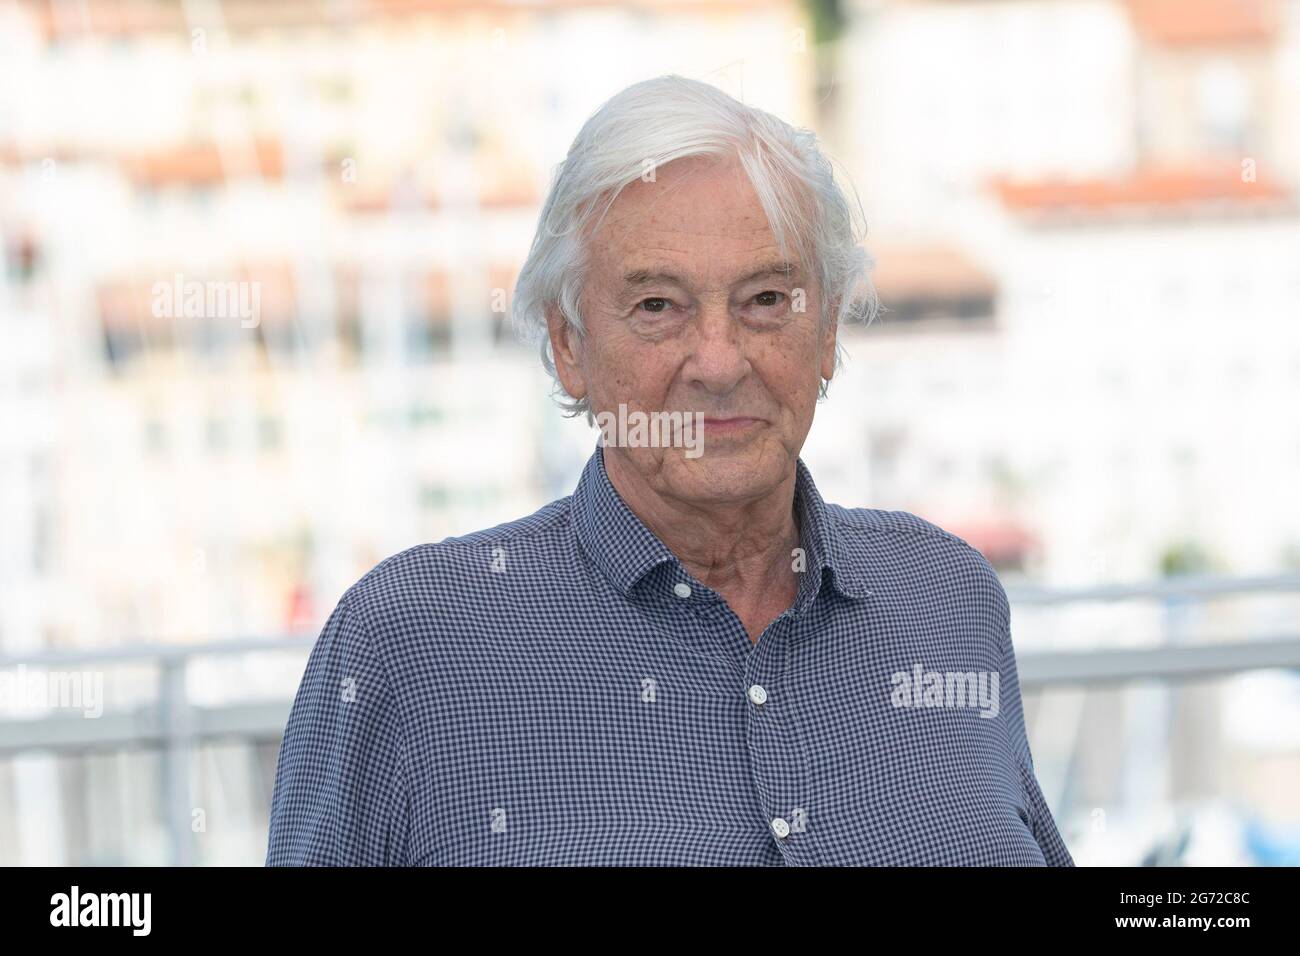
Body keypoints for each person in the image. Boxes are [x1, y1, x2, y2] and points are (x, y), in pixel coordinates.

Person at [266, 74, 1074, 866]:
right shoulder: (409, 643)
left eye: (765, 299)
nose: (719, 363)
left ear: (826, 330)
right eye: (657, 306)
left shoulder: (948, 598)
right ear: (569, 344)